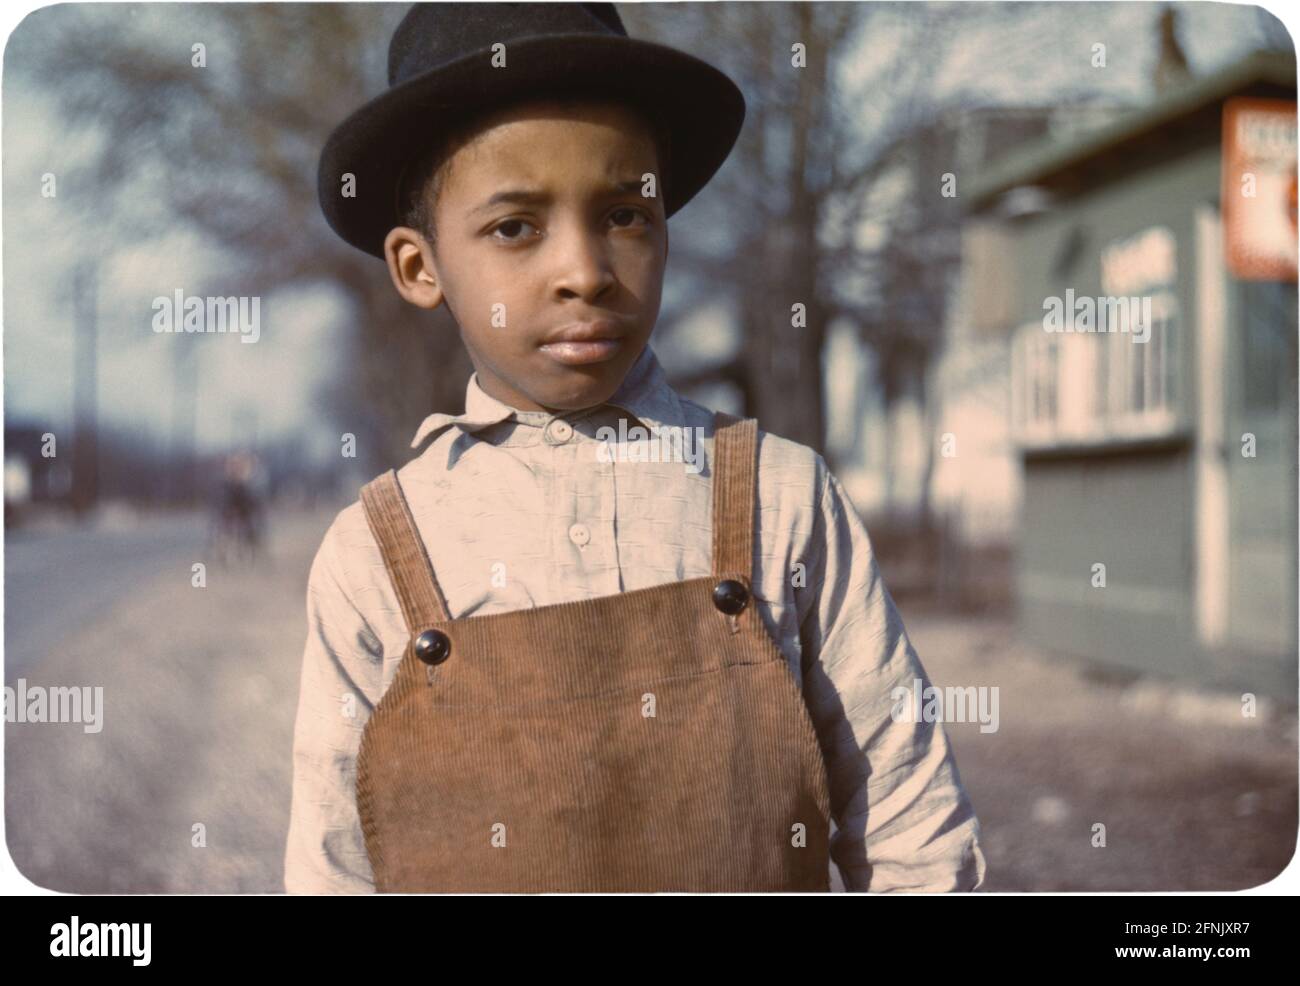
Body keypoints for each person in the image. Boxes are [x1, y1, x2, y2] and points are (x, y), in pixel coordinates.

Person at [285, 1, 986, 894]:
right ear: (421, 268)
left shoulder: (782, 496)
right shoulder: (375, 555)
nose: (584, 269)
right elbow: (331, 865)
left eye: (624, 214)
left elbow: (910, 822)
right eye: (515, 227)